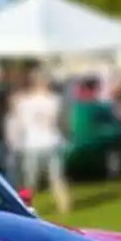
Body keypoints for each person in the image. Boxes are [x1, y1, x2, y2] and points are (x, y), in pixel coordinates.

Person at [14, 69, 71, 214]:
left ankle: (64, 206)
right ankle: (26, 206)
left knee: (53, 177)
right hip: (34, 143)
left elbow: (20, 120)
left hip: (48, 142)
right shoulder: (27, 100)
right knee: (31, 179)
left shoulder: (51, 100)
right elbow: (20, 121)